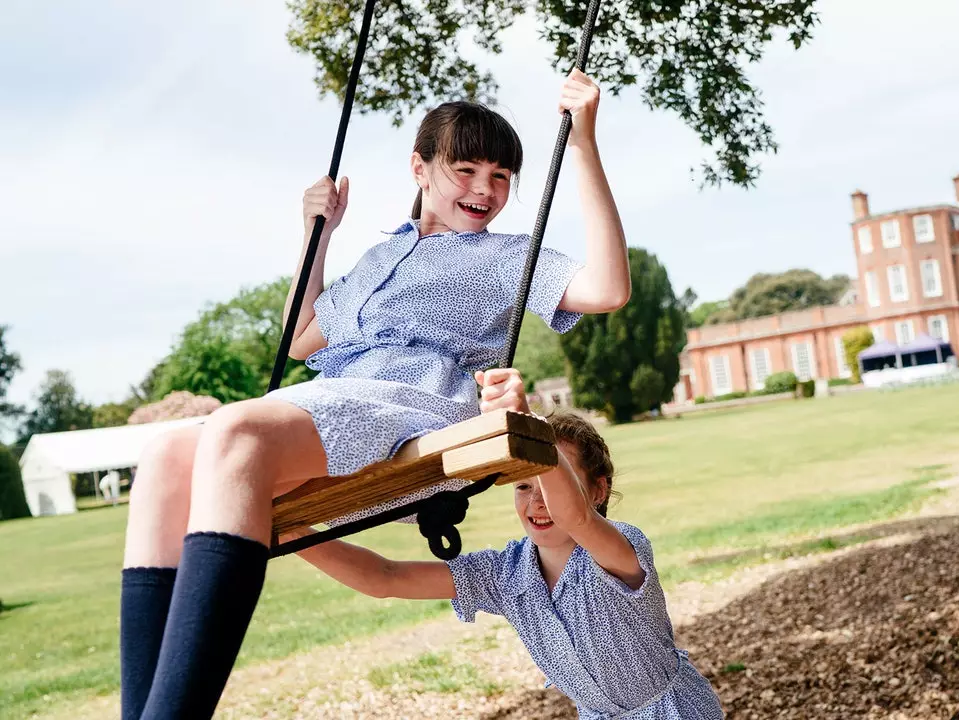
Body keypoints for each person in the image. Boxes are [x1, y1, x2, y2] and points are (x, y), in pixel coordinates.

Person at [118, 69, 631, 720]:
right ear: (421, 167)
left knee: (234, 431)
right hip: (337, 395)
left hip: (414, 405)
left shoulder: (506, 255)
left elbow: (609, 287)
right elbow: (301, 339)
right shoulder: (380, 259)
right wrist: (318, 234)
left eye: (501, 177)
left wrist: (583, 143)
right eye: (466, 170)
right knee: (164, 458)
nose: (485, 190)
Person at [288, 368, 725, 719]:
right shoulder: (505, 574)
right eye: (522, 485)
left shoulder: (621, 549)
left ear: (597, 489)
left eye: (553, 482)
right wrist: (288, 532)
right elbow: (385, 577)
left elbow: (574, 517)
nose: (537, 501)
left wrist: (525, 426)